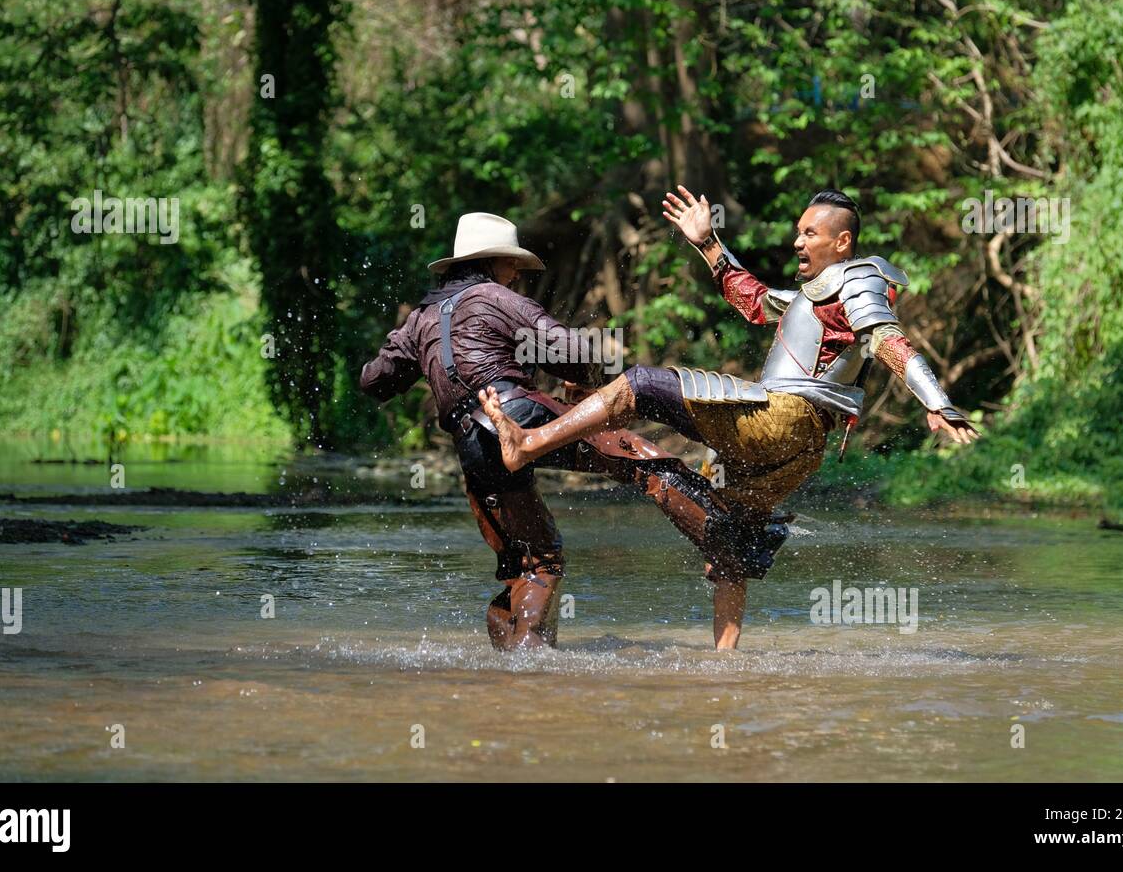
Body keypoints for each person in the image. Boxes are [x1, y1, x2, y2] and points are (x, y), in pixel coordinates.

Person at [479, 186, 981, 648]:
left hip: (784, 419)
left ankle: (529, 443)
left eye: (810, 233)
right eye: (798, 233)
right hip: (801, 451)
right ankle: (726, 665)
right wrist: (708, 242)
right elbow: (756, 301)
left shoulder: (860, 276)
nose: (798, 242)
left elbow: (887, 338)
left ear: (843, 241)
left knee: (641, 385)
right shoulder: (819, 294)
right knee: (729, 537)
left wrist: (937, 402)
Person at [360, 212, 769, 651]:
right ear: (488, 263)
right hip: (520, 416)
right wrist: (580, 375)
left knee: (533, 562)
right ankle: (732, 545)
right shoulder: (495, 297)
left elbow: (374, 381)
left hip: (472, 446)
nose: (516, 273)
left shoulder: (419, 320)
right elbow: (572, 351)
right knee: (646, 459)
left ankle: (521, 668)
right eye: (510, 263)